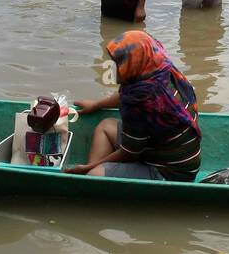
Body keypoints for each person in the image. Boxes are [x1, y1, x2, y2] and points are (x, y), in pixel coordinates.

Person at [65, 31, 202, 181]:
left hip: (169, 172)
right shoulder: (160, 72)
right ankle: (90, 181)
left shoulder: (140, 102)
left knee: (94, 173)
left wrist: (88, 168)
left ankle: (90, 180)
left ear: (134, 64)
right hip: (167, 152)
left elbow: (129, 153)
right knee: (106, 126)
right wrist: (96, 105)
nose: (116, 70)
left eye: (119, 65)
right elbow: (125, 95)